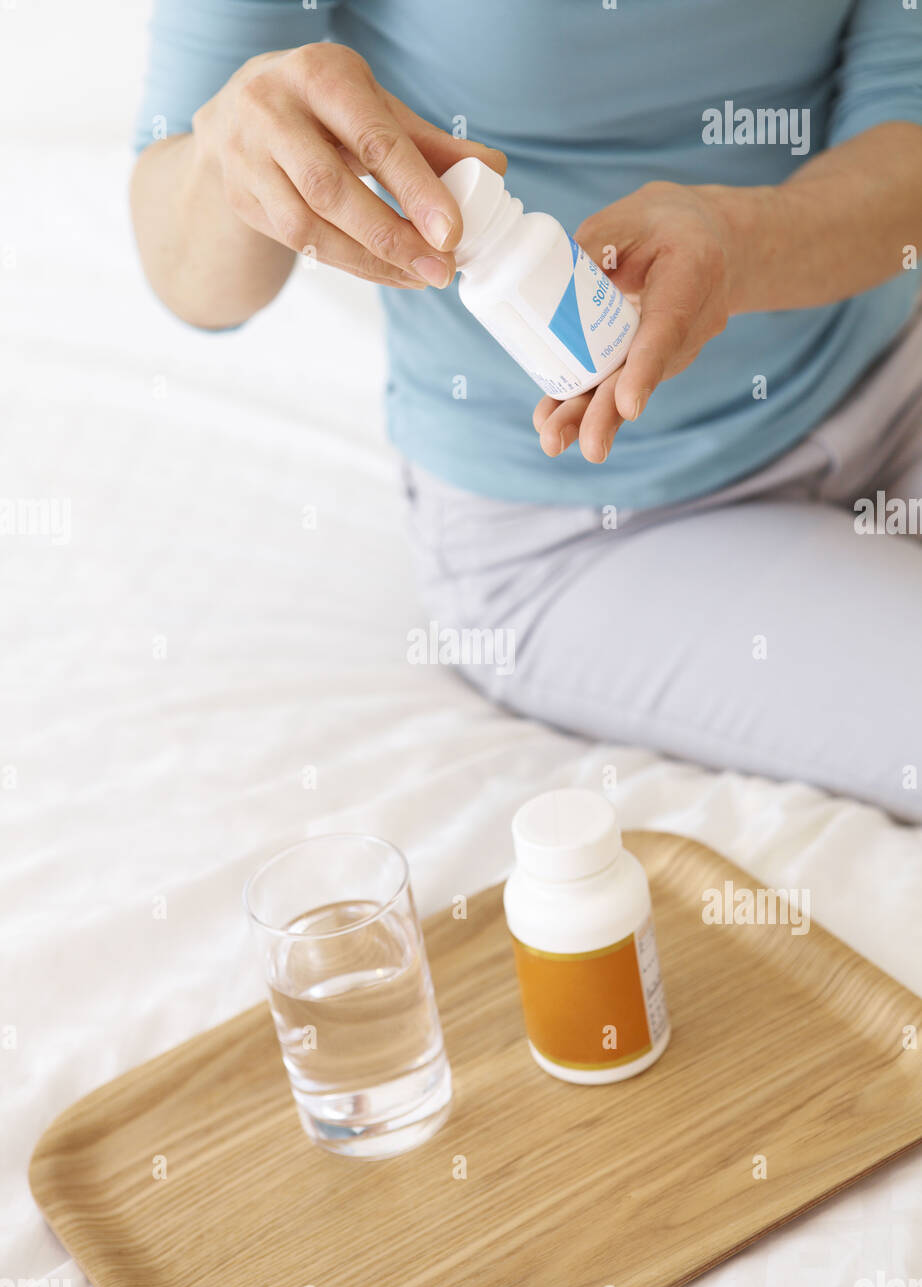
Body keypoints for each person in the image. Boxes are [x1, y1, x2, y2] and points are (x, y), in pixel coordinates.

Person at [131, 1, 922, 822]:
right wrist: (234, 151)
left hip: (891, 371)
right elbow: (186, 278)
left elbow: (910, 118)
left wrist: (738, 241)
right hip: (585, 530)